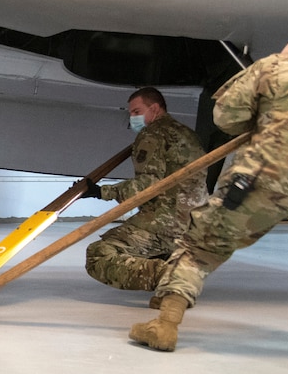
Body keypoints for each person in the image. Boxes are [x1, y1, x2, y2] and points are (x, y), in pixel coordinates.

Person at [130, 36, 288, 356]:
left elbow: (226, 117)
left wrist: (262, 116)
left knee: (201, 244)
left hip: (259, 182)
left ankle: (165, 325)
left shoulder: (273, 66)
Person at [81, 87, 207, 295]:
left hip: (164, 223)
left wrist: (100, 192)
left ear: (155, 109)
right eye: (131, 113)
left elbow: (149, 184)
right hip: (194, 225)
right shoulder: (188, 135)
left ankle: (171, 278)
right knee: (146, 253)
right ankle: (169, 281)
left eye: (137, 112)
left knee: (98, 254)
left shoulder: (153, 133)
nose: (132, 118)